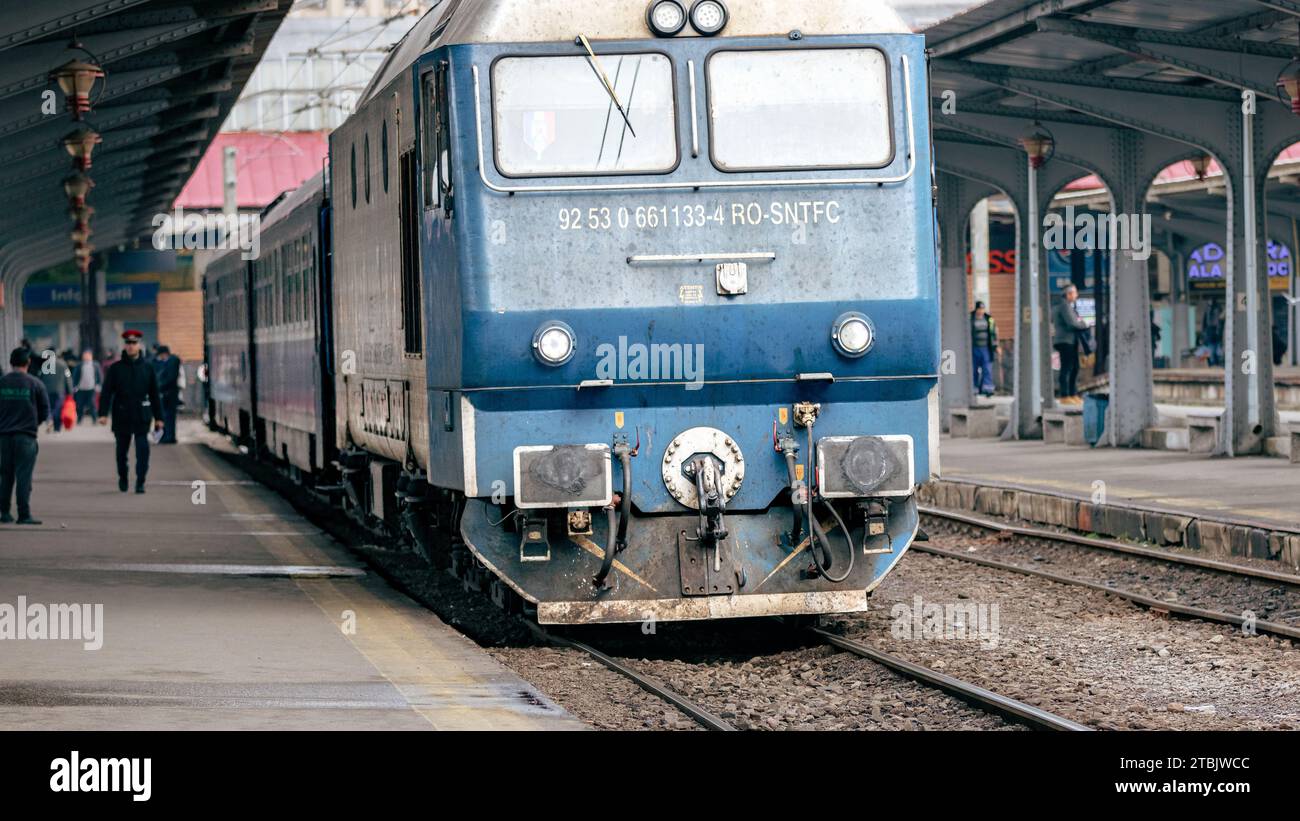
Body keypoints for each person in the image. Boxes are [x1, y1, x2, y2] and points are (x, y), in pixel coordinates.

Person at [98, 330, 164, 493]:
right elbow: (106, 392)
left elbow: (155, 394)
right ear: (124, 345)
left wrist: (159, 418)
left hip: (142, 414)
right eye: (128, 343)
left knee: (143, 451)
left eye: (134, 343)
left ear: (139, 345)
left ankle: (140, 481)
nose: (131, 346)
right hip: (122, 414)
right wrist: (103, 414)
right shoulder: (116, 368)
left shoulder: (148, 368)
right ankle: (123, 476)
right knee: (121, 452)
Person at [0, 347, 48, 525]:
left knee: (5, 475)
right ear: (28, 363)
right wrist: (33, 424)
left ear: (11, 363)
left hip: (4, 437)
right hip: (26, 437)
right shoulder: (35, 383)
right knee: (23, 476)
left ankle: (4, 512)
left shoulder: (2, 382)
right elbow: (44, 410)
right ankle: (23, 514)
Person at [1052, 285, 1089, 405]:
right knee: (1067, 368)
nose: (1076, 295)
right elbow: (1072, 323)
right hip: (1065, 341)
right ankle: (1065, 395)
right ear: (1068, 294)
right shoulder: (1064, 306)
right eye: (1074, 293)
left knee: (1074, 368)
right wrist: (1084, 324)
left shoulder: (1067, 306)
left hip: (1070, 341)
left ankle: (1073, 394)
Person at [33, 350, 73, 433]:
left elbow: (40, 377)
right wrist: (70, 391)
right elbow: (68, 378)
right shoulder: (63, 364)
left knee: (49, 407)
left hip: (47, 390)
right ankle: (57, 428)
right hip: (59, 391)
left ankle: (49, 420)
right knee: (58, 408)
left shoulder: (45, 365)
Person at [153, 345, 183, 444]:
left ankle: (169, 437)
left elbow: (170, 378)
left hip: (169, 393)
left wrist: (160, 386)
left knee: (169, 416)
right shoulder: (169, 362)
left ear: (164, 354)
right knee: (167, 416)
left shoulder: (172, 362)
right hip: (167, 393)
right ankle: (167, 436)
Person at [970, 301, 999, 397]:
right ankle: (974, 388)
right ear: (976, 309)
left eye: (982, 309)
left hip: (986, 348)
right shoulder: (970, 318)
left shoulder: (989, 319)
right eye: (979, 309)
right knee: (974, 369)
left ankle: (987, 388)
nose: (981, 311)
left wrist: (996, 346)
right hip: (974, 348)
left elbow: (993, 334)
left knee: (987, 368)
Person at [72, 349, 102, 423]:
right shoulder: (79, 365)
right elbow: (75, 376)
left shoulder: (95, 365)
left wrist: (99, 385)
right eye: (84, 355)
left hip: (91, 388)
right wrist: (74, 386)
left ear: (91, 356)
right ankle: (79, 419)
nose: (86, 357)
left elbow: (100, 376)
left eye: (87, 355)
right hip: (81, 388)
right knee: (80, 405)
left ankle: (94, 419)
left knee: (92, 404)